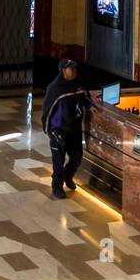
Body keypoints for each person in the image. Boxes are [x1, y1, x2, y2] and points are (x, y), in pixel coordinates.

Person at [40, 59, 92, 199]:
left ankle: (68, 177)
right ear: (63, 71)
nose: (74, 71)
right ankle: (57, 187)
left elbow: (86, 100)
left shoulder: (79, 85)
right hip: (59, 131)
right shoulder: (55, 89)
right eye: (71, 69)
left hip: (74, 130)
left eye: (75, 68)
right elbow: (47, 111)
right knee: (58, 162)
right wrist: (48, 131)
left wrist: (91, 107)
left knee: (76, 158)